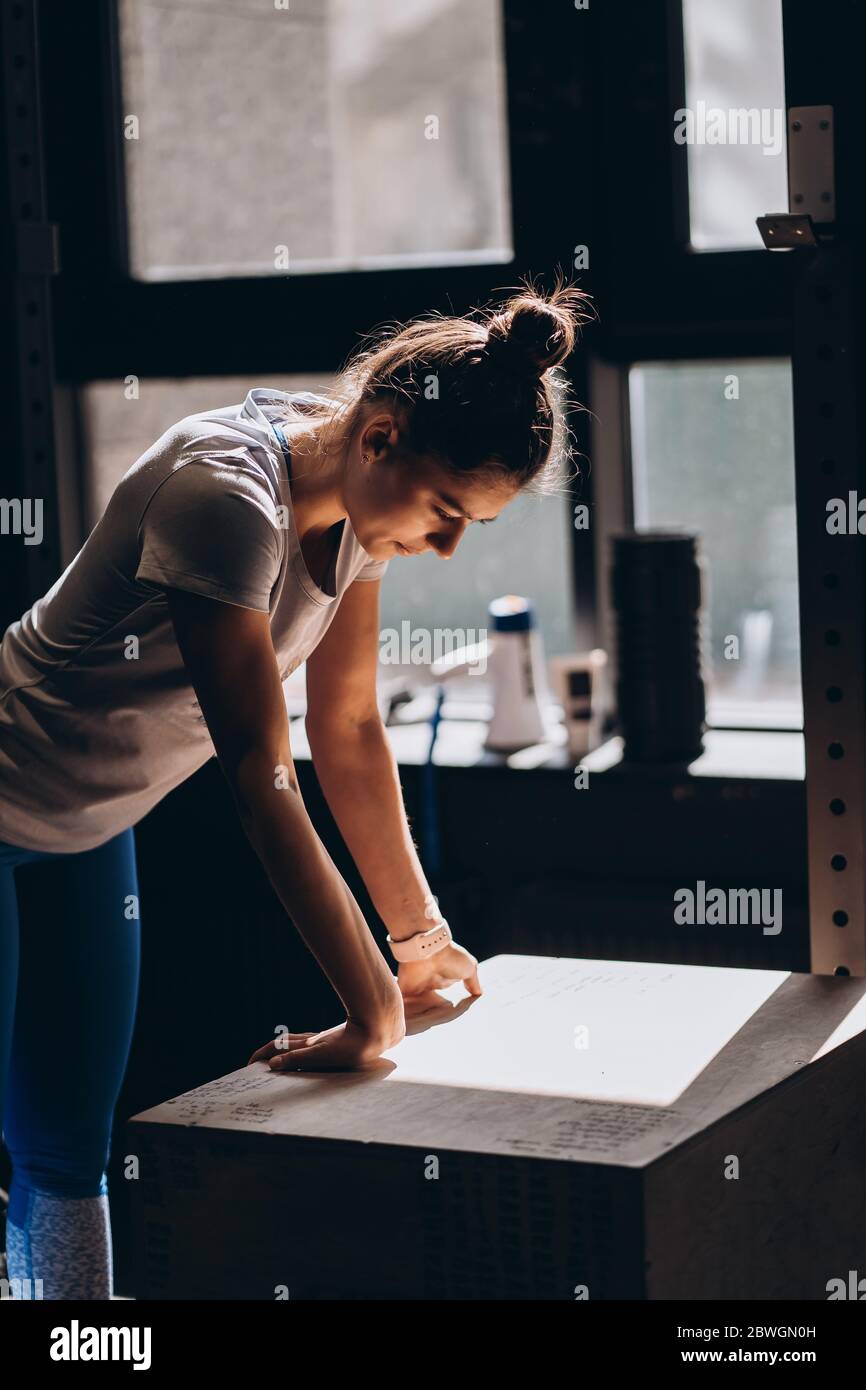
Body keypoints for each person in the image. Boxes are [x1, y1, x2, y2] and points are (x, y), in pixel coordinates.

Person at [0, 278, 593, 1299]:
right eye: (446, 511)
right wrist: (372, 1015)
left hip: (90, 830)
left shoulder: (358, 513)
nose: (446, 546)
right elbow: (260, 774)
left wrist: (416, 942)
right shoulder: (223, 498)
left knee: (66, 1151)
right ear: (378, 438)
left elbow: (349, 730)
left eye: (471, 527)